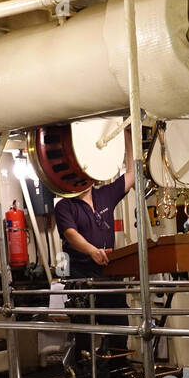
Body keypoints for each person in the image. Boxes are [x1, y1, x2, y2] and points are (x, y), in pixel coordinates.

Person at [54, 126, 135, 352]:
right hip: (82, 278)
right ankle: (85, 376)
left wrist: (127, 137)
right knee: (84, 334)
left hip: (109, 275)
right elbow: (70, 234)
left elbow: (131, 174)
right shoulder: (65, 206)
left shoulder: (105, 194)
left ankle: (118, 373)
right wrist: (92, 250)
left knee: (120, 327)